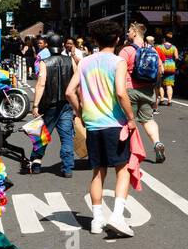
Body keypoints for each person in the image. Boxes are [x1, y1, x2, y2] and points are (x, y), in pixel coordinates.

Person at [66, 21, 138, 237]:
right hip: (114, 124)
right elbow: (121, 92)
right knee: (123, 169)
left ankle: (97, 220)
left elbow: (70, 91)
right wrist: (131, 118)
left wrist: (81, 114)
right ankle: (117, 216)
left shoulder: (85, 62)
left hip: (93, 125)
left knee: (98, 172)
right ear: (117, 40)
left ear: (95, 41)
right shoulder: (118, 61)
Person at [29, 33, 78, 177]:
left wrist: (35, 105)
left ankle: (36, 163)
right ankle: (68, 167)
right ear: (62, 45)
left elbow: (41, 84)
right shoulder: (71, 61)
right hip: (66, 105)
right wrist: (78, 104)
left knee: (42, 135)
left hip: (48, 105)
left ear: (48, 46)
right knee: (67, 136)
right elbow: (77, 84)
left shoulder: (45, 62)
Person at [118, 21, 167, 164]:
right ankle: (157, 143)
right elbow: (160, 70)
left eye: (128, 31)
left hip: (130, 89)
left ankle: (127, 152)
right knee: (148, 120)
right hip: (148, 90)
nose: (127, 33)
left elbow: (118, 70)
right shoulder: (152, 50)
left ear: (134, 33)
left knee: (127, 120)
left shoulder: (126, 50)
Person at [156, 33, 179, 105]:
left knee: (161, 84)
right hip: (171, 66)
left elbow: (157, 56)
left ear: (164, 39)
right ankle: (169, 101)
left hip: (162, 65)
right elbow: (176, 57)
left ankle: (162, 99)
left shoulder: (159, 47)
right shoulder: (174, 47)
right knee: (169, 84)